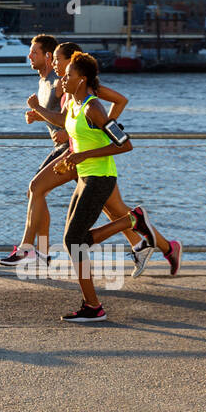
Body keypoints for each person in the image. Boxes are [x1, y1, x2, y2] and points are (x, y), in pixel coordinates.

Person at [18, 42, 182, 277]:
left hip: (89, 161)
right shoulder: (69, 92)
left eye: (58, 59)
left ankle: (34, 250)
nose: (54, 64)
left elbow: (120, 113)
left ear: (75, 68)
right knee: (113, 209)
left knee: (38, 190)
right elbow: (66, 120)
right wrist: (43, 116)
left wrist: (100, 135)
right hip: (78, 159)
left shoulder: (89, 96)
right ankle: (160, 246)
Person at [27, 52, 155, 321]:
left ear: (82, 79)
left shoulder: (93, 108)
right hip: (85, 177)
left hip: (101, 178)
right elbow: (67, 127)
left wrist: (83, 156)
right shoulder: (73, 106)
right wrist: (67, 160)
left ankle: (94, 305)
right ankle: (132, 221)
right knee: (73, 241)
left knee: (74, 241)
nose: (63, 78)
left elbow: (125, 144)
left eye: (69, 75)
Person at [0, 34, 67, 267]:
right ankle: (44, 253)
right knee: (36, 192)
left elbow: (79, 110)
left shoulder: (59, 81)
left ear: (48, 56)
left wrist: (67, 131)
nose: (29, 55)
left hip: (72, 148)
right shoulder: (43, 81)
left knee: (35, 189)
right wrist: (38, 116)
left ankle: (29, 250)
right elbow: (56, 116)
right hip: (62, 147)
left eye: (34, 52)